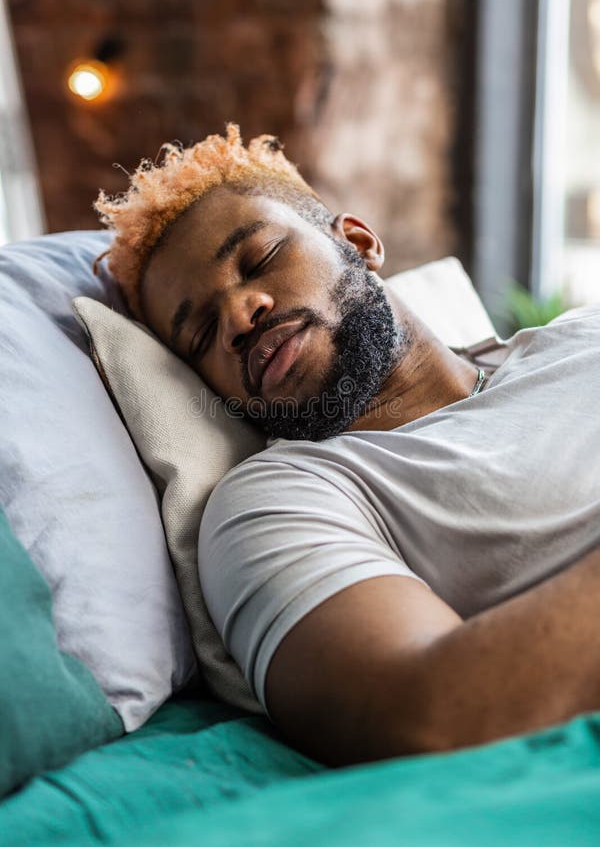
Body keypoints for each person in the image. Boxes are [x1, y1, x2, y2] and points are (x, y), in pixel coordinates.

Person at [94, 124, 600, 767]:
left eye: (259, 259)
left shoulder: (582, 338)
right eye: (199, 337)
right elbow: (424, 717)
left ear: (357, 241)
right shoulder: (278, 501)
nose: (240, 316)